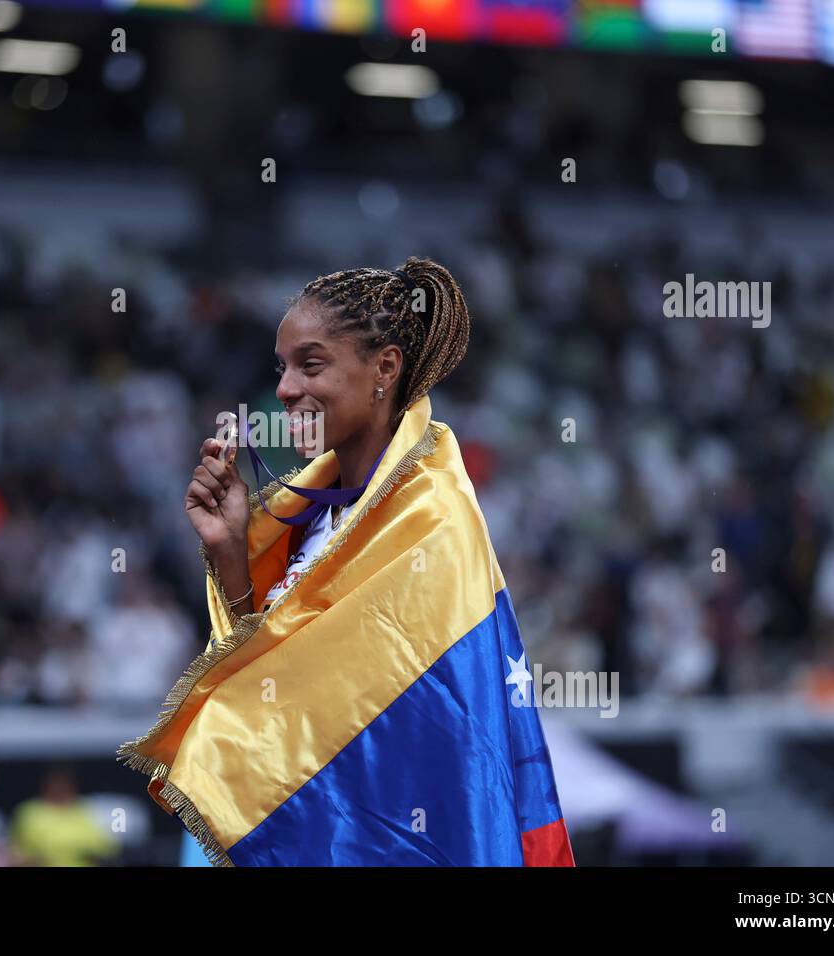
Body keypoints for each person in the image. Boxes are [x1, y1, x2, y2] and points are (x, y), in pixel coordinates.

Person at [121, 257, 574, 866]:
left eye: (311, 364)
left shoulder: (433, 518)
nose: (283, 389)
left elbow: (385, 729)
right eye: (281, 367)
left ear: (384, 368)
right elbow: (278, 682)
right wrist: (232, 555)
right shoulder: (307, 518)